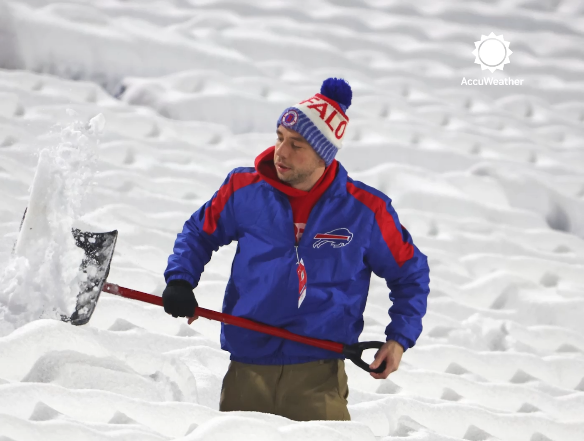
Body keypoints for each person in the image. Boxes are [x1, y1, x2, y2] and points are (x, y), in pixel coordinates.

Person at [162, 77, 430, 421]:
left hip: (319, 374)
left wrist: (399, 338)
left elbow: (409, 273)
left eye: (297, 144)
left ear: (323, 155)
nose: (281, 152)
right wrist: (181, 280)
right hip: (248, 367)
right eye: (280, 138)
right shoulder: (244, 190)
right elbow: (199, 233)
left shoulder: (365, 211)